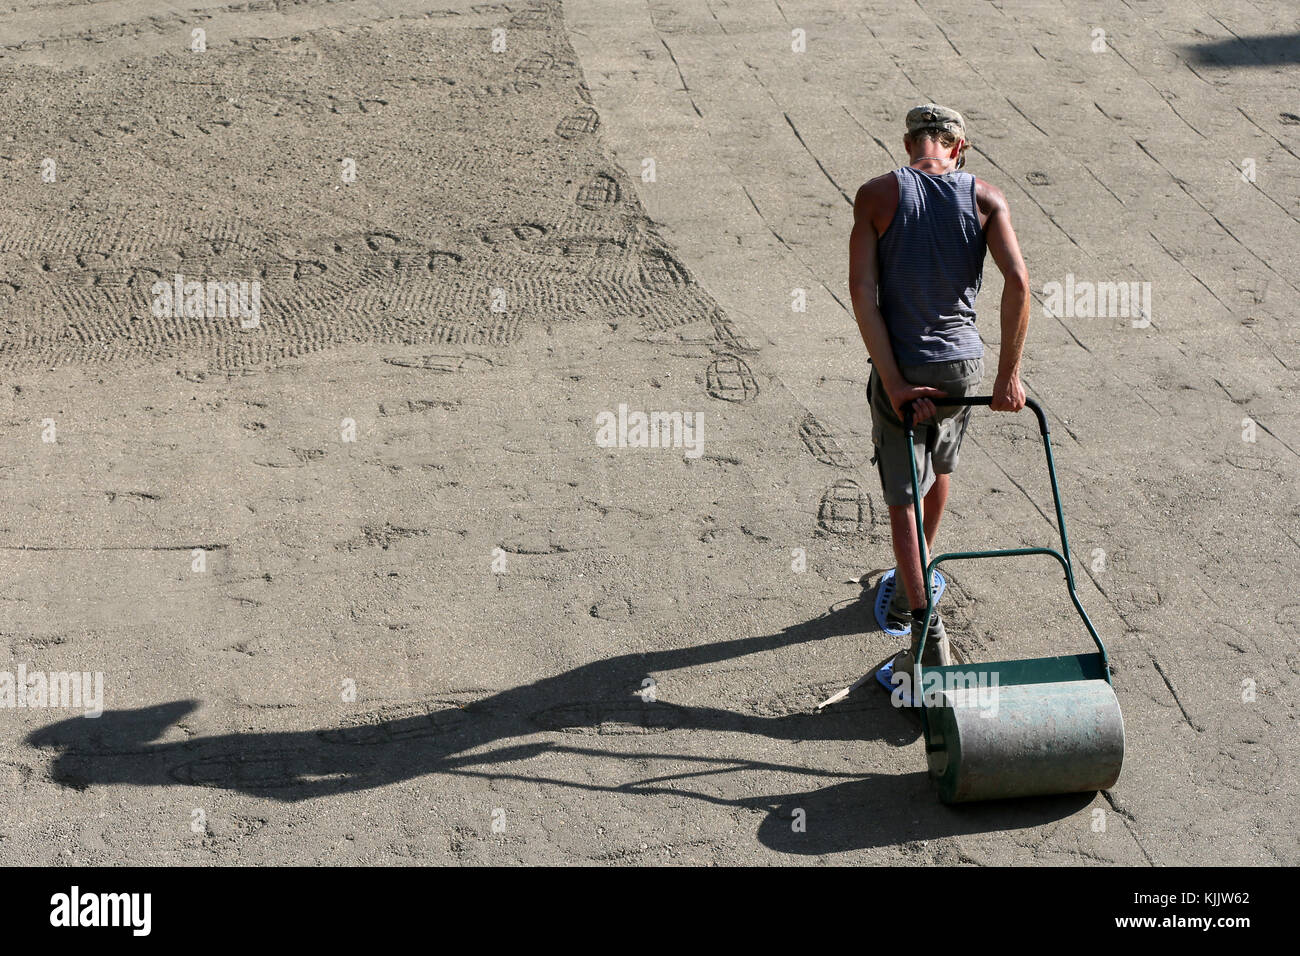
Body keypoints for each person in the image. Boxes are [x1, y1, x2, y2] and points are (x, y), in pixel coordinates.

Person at [847, 104, 1029, 692]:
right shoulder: (986, 198)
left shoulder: (876, 195)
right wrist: (1007, 377)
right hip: (961, 367)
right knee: (941, 462)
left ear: (908, 145)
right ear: (960, 148)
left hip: (906, 364)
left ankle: (917, 621)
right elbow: (1019, 284)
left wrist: (896, 383)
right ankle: (915, 575)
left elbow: (861, 290)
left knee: (902, 490)